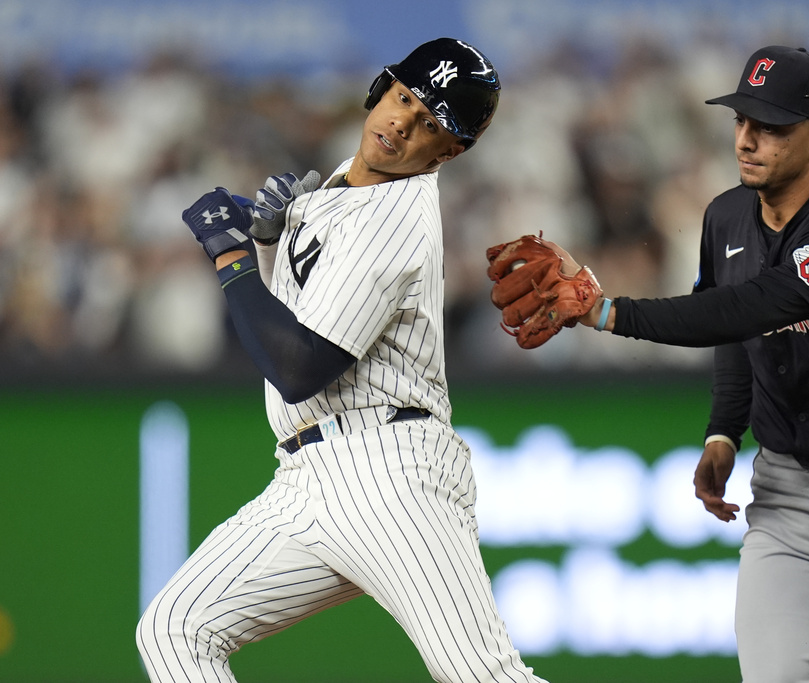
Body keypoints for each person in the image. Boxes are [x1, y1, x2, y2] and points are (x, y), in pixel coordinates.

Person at [544, 46, 809, 682]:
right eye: (741, 119)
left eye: (770, 125)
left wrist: (606, 312)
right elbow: (737, 332)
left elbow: (746, 311)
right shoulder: (726, 214)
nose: (747, 138)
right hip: (789, 491)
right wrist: (723, 430)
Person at [137, 38, 548, 683]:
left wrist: (233, 258)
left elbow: (300, 369)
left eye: (428, 124)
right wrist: (271, 247)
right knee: (175, 630)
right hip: (307, 476)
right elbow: (298, 324)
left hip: (387, 475)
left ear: (451, 150)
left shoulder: (396, 216)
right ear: (380, 89)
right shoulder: (339, 188)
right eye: (403, 98)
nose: (400, 123)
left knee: (485, 676)